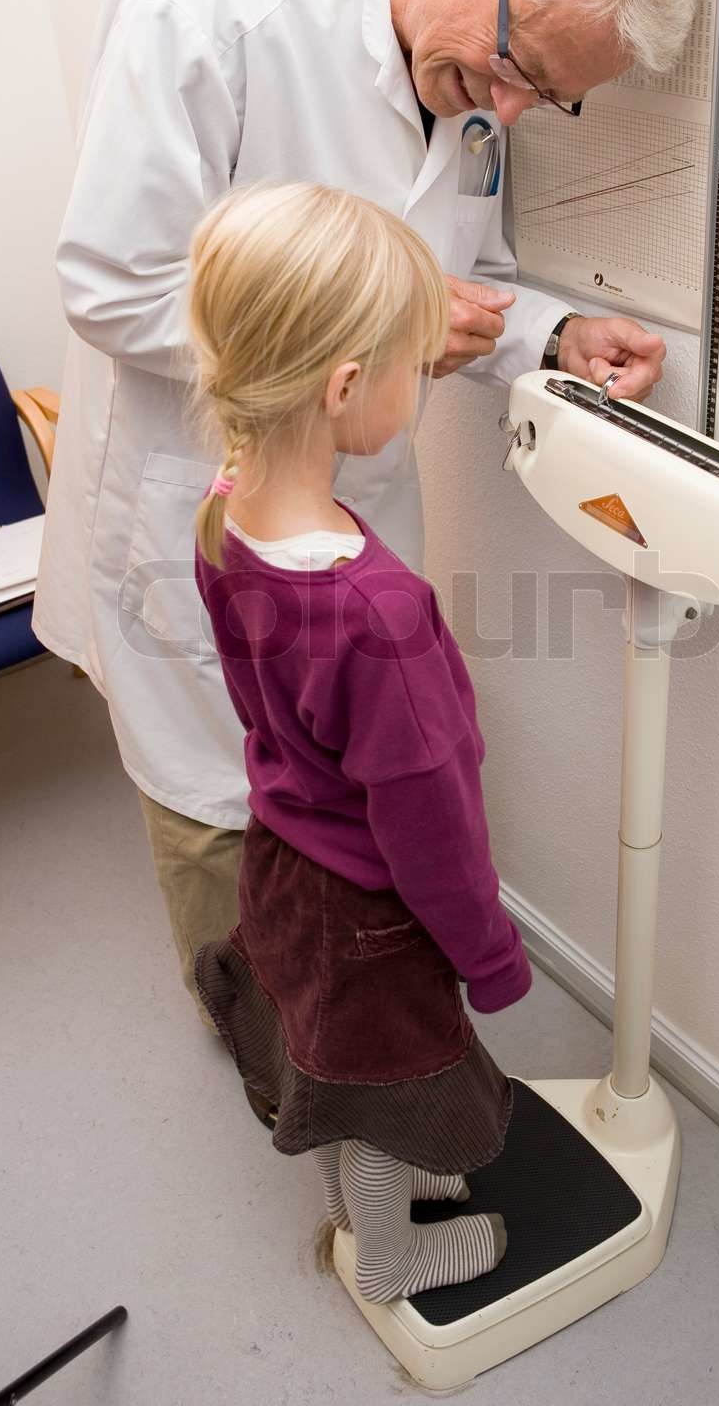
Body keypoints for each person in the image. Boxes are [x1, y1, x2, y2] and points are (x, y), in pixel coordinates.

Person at [34, 0, 707, 1032]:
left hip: (350, 507)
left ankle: (338, 1039)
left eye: (545, 97)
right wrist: (379, 320)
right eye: (518, 66)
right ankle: (259, 1046)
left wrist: (552, 334)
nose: (507, 109)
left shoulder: (470, 70)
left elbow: (463, 281)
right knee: (215, 796)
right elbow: (111, 283)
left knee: (338, 794)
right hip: (201, 486)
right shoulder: (213, 0)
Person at [189, 180, 527, 1299]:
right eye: (412, 366)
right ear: (344, 387)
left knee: (331, 1060)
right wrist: (488, 954)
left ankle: (361, 1207)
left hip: (285, 859)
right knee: (381, 1091)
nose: (417, 384)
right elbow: (430, 817)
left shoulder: (227, 508)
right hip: (370, 906)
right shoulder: (375, 612)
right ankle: (384, 1257)